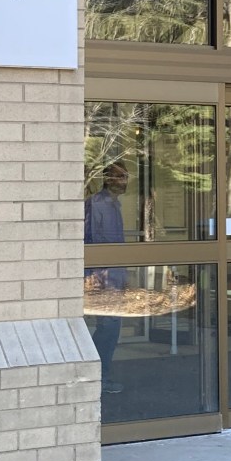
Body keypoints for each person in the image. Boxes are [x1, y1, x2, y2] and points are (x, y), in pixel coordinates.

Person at [83, 162, 129, 392]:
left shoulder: (114, 205)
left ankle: (99, 375)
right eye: (119, 176)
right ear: (108, 179)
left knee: (111, 327)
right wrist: (96, 278)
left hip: (114, 275)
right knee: (108, 327)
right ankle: (97, 377)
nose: (124, 181)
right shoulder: (97, 204)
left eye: (126, 176)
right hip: (102, 277)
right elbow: (89, 241)